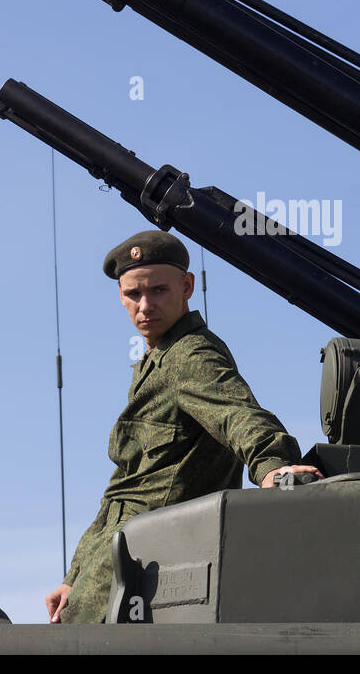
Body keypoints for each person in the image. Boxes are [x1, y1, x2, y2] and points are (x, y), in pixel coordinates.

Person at [45, 229, 321, 623]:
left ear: (186, 286)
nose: (145, 306)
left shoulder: (190, 355)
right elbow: (124, 487)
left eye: (158, 290)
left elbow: (237, 413)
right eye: (132, 295)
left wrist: (271, 465)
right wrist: (75, 575)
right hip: (118, 551)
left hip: (150, 555)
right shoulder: (156, 361)